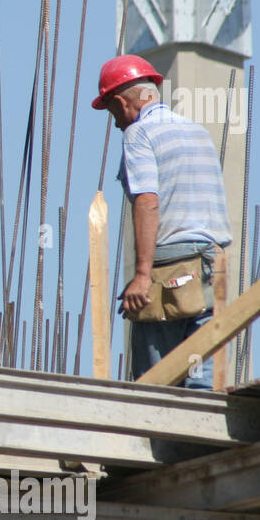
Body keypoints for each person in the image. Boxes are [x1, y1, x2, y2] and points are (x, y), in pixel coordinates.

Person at [95, 54, 233, 389]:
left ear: (120, 102)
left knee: (155, 383)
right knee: (204, 378)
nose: (116, 124)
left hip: (172, 264)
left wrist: (143, 275)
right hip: (213, 263)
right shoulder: (197, 132)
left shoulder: (139, 133)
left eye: (113, 113)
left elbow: (147, 201)